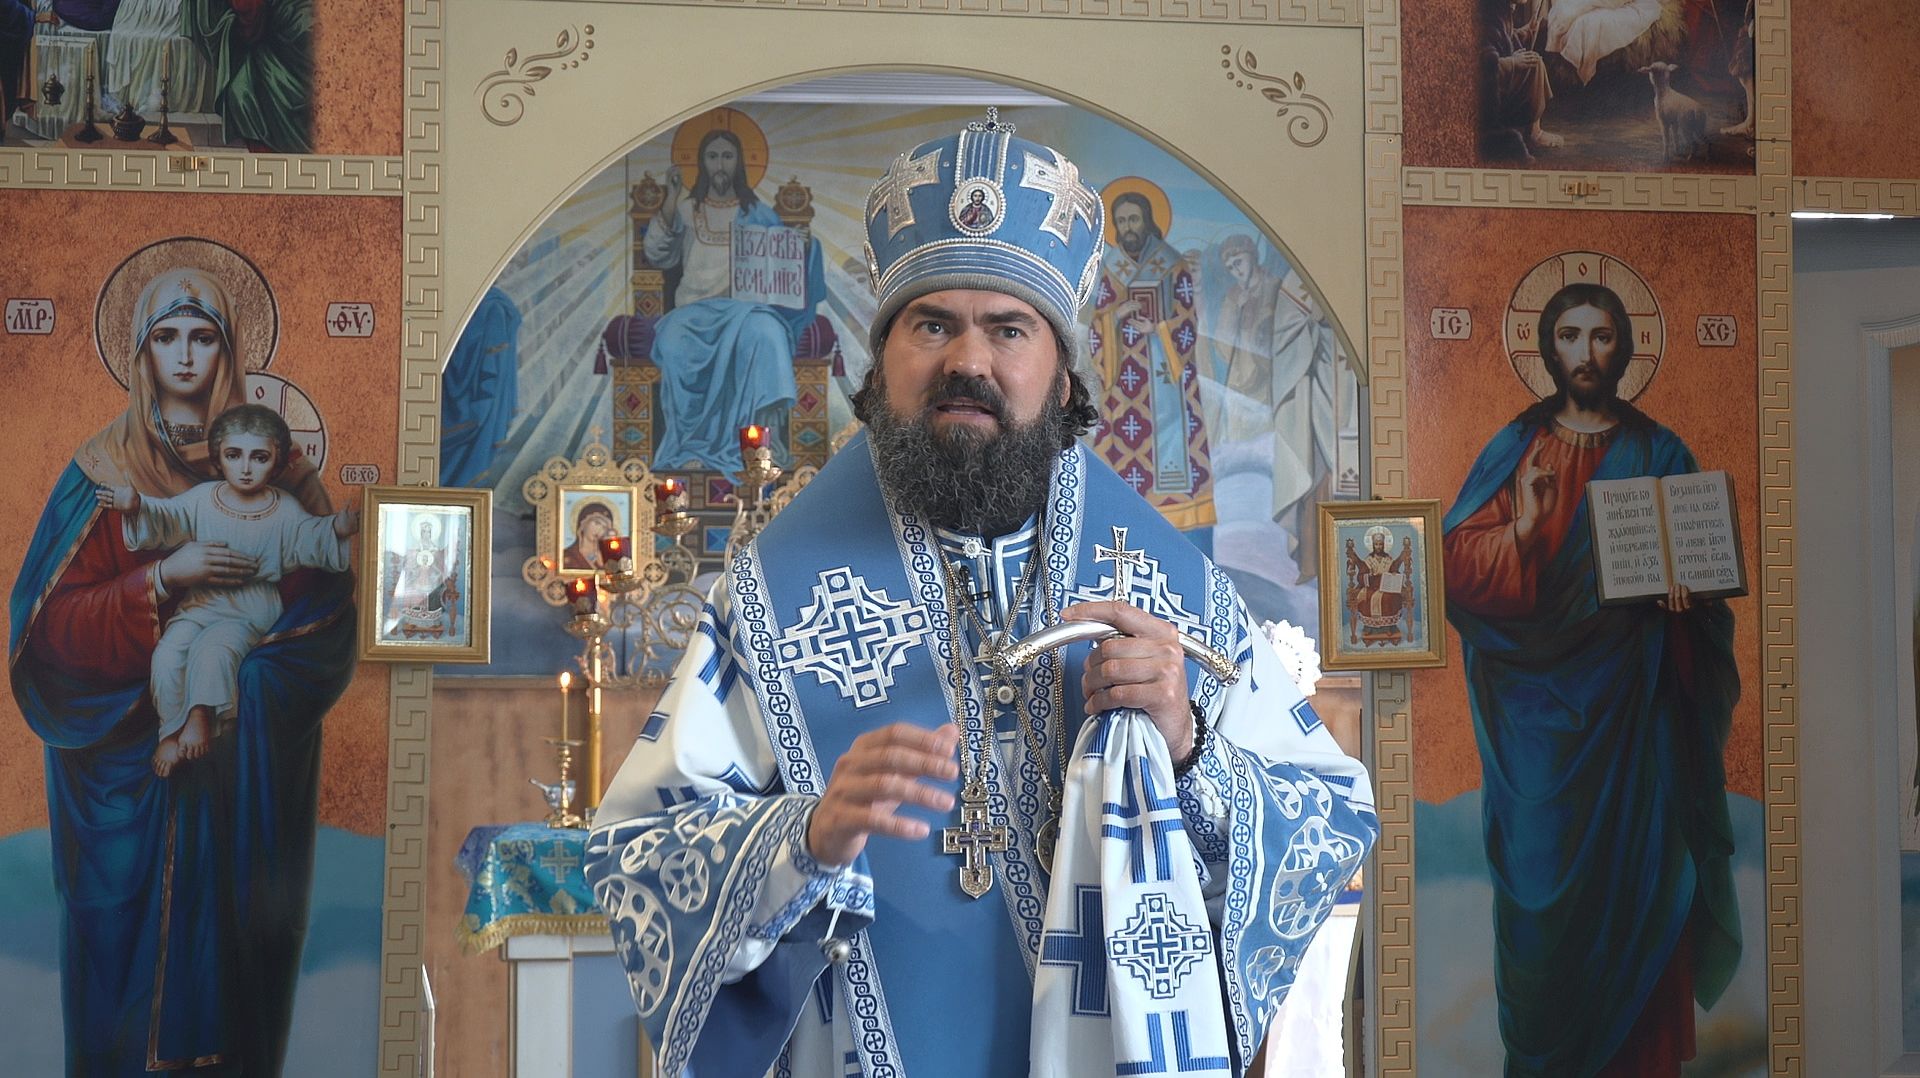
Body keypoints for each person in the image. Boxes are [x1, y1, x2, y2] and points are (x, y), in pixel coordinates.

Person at [586, 113, 1376, 1078]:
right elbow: (637, 856)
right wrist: (804, 837)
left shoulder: (1166, 584)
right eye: (932, 325)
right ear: (881, 361)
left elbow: (1329, 815)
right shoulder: (771, 596)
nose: (968, 361)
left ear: (1062, 371)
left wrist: (1189, 749)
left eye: (1008, 328)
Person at [10, 266, 356, 1072]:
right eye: (167, 337)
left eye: (204, 336)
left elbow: (324, 620)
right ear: (140, 353)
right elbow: (48, 633)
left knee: (236, 964)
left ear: (230, 349)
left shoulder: (282, 472)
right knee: (117, 976)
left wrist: (250, 685)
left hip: (239, 771)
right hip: (119, 772)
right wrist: (162, 578)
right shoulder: (102, 471)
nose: (187, 355)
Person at [1442, 281, 1741, 1077]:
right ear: (1547, 346)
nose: (1585, 353)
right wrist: (1526, 527)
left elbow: (1703, 575)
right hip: (1535, 727)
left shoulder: (1661, 452)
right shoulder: (1518, 447)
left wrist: (1687, 604)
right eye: (1570, 336)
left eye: (1601, 336)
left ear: (1624, 348)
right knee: (1543, 906)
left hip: (1636, 720)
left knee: (1638, 887)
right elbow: (1454, 570)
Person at [96, 403, 357, 776]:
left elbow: (309, 537)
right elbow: (168, 518)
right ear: (218, 457)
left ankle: (200, 716)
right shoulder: (204, 499)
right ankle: (170, 731)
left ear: (277, 462)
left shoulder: (285, 509)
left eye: (259, 457)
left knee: (214, 648)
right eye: (234, 455)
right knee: (168, 655)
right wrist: (137, 505)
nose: (246, 467)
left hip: (251, 608)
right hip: (201, 603)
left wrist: (338, 528)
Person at [642, 123, 826, 473]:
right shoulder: (686, 210)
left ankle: (760, 448)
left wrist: (803, 246)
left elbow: (783, 263)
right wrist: (670, 198)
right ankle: (690, 445)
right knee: (674, 341)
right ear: (702, 162)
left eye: (727, 156)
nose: (720, 164)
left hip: (748, 311)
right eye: (713, 157)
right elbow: (657, 253)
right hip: (693, 312)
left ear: (739, 162)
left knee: (767, 336)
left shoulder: (758, 214)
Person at [1213, 233, 1342, 581]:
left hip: (1276, 391)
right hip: (1241, 391)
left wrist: (1260, 323)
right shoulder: (1233, 297)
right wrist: (1237, 311)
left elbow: (1284, 335)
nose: (1236, 270)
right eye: (1230, 266)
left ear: (1252, 257)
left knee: (1279, 460)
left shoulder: (1275, 287)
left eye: (1239, 261)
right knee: (1242, 461)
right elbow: (1224, 346)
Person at [1090, 189, 1216, 534]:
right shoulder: (1112, 269)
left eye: (1133, 219)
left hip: (1167, 383)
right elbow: (1097, 326)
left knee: (1173, 444)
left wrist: (1157, 329)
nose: (1127, 227)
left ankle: (1180, 520)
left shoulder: (1172, 264)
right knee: (1118, 452)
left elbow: (1187, 321)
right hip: (1123, 385)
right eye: (1121, 221)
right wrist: (1116, 316)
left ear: (1147, 220)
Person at [1480, 0, 1564, 161]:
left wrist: (1526, 32)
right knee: (1534, 64)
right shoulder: (1486, 13)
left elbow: (1505, 38)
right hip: (1487, 93)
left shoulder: (1501, 9)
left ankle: (1534, 131)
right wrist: (1513, 62)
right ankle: (1534, 134)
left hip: (1499, 78)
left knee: (1533, 61)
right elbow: (1478, 67)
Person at [1343, 527, 1412, 647]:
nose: (1378, 546)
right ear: (1373, 545)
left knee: (1389, 597)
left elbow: (1394, 570)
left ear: (1384, 545)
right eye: (1376, 544)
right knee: (1368, 597)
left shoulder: (1388, 559)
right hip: (1371, 587)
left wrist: (1394, 574)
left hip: (1386, 587)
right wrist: (1369, 576)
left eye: (1380, 544)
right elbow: (1361, 576)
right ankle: (1370, 628)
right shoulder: (1369, 560)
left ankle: (1389, 627)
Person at [560, 499, 616, 571]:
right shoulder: (567, 555)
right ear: (583, 523)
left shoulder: (605, 558)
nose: (599, 530)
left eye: (604, 527)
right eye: (597, 523)